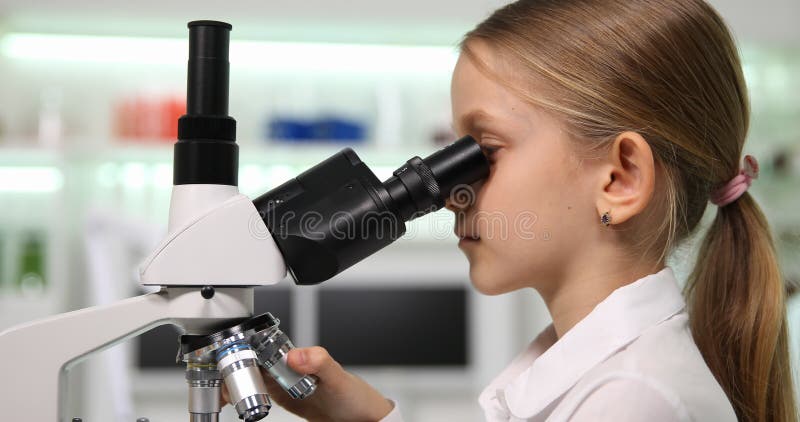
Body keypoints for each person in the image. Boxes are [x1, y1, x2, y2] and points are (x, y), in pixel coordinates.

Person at [225, 0, 798, 420]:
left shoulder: (632, 399)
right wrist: (362, 417)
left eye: (484, 151)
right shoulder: (605, 375)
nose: (452, 190)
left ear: (620, 179)